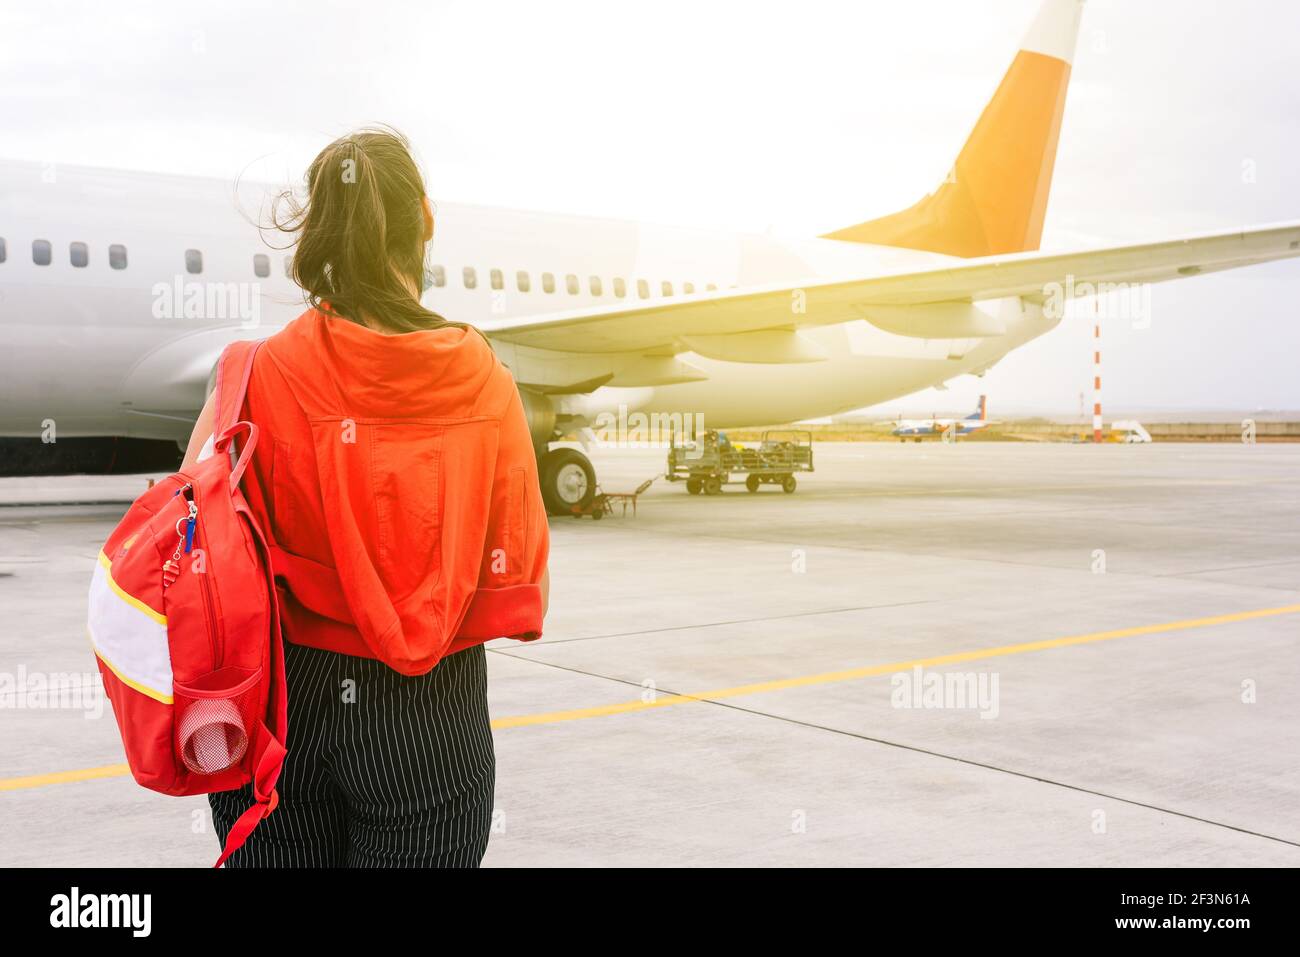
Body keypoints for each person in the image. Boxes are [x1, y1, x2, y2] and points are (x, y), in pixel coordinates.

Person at [180, 127, 550, 867]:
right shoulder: (486, 381)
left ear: (318, 234)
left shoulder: (251, 375)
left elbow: (194, 536)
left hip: (282, 702)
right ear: (426, 224)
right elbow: (516, 575)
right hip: (431, 712)